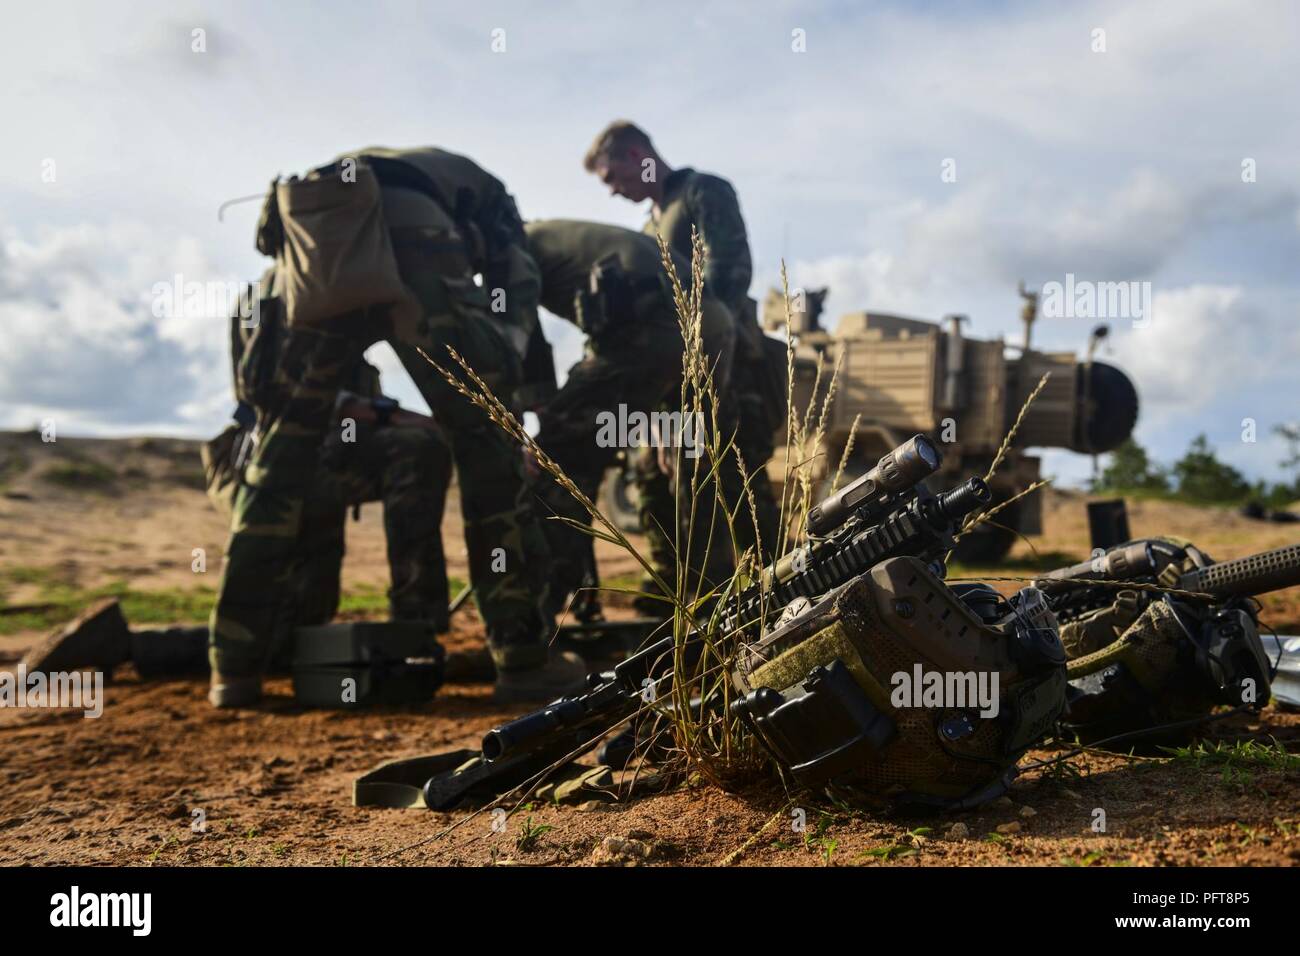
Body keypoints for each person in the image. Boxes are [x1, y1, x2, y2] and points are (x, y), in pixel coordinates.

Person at [208, 147, 583, 708]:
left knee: (276, 467)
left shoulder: (354, 180)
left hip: (316, 250)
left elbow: (261, 383)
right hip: (415, 239)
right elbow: (516, 277)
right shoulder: (487, 192)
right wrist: (508, 380)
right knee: (488, 455)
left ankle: (234, 669)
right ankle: (523, 659)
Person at [23, 271, 455, 679]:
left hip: (309, 475)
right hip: (275, 474)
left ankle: (412, 631)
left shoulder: (321, 299)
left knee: (300, 627)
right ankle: (123, 646)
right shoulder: (281, 303)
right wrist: (402, 417)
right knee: (284, 644)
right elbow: (297, 400)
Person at [582, 121, 783, 582]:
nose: (613, 191)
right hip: (663, 384)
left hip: (722, 376)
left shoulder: (702, 191)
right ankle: (676, 601)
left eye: (613, 177)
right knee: (657, 488)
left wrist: (693, 357)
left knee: (732, 496)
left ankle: (782, 605)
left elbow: (729, 273)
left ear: (637, 157)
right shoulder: (647, 225)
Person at [524, 219, 735, 617]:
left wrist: (542, 407)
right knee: (689, 466)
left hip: (658, 336)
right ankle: (710, 599)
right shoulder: (566, 240)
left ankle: (551, 595)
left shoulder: (520, 245)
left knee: (558, 450)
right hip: (711, 331)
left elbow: (525, 335)